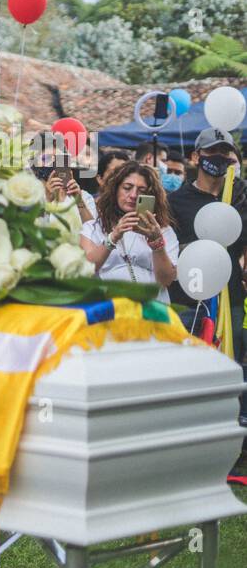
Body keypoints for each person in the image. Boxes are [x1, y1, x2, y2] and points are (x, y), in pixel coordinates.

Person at [167, 128, 247, 382]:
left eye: (225, 152)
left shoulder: (241, 199)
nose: (219, 157)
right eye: (212, 151)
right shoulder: (175, 201)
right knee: (187, 371)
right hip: (188, 299)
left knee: (230, 367)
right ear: (195, 157)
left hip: (231, 297)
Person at [80, 161, 178, 302]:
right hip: (111, 310)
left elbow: (166, 280)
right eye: (127, 188)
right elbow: (86, 270)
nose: (133, 195)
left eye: (142, 191)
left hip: (153, 310)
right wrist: (113, 237)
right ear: (115, 189)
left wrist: (157, 243)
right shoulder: (93, 226)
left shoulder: (163, 229)